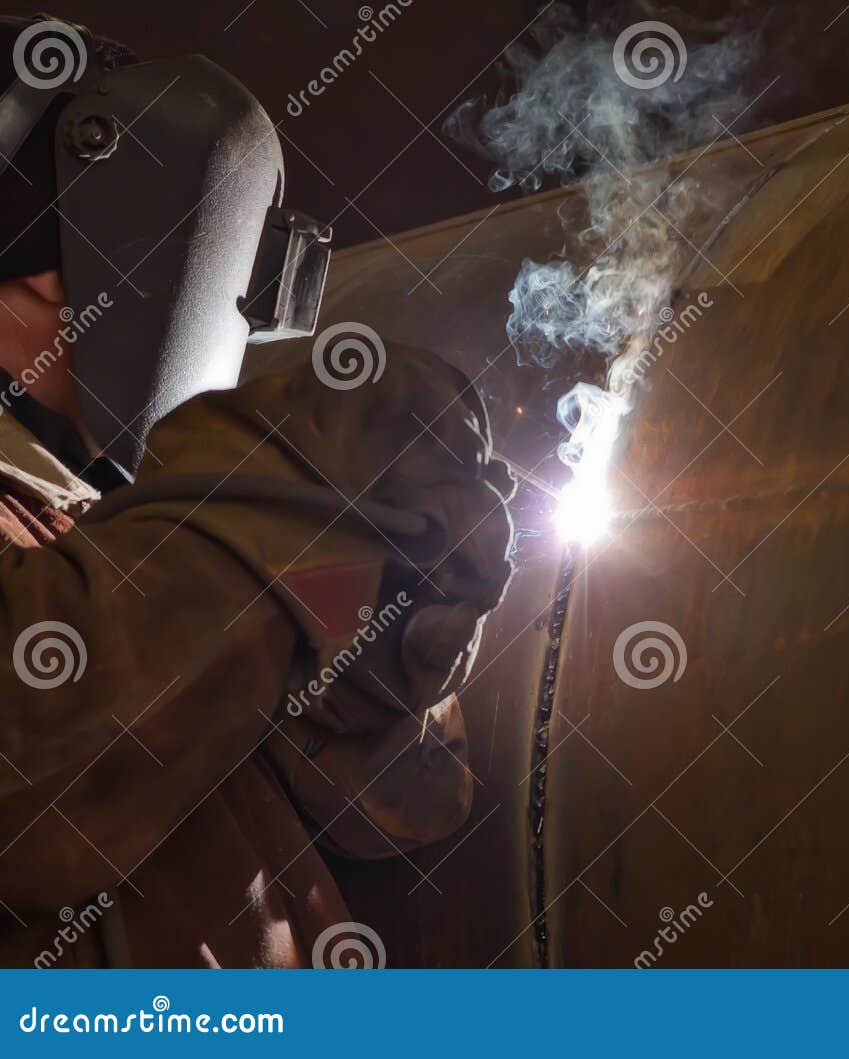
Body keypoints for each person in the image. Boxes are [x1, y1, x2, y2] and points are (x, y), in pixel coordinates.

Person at [0, 15, 513, 967]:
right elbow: (32, 759)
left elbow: (398, 807)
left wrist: (385, 630)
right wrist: (292, 480)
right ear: (55, 274)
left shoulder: (106, 509)